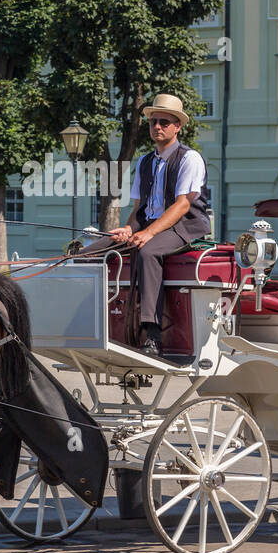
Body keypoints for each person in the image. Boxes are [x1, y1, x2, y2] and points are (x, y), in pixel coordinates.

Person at [79, 93, 209, 357]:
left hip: (185, 226)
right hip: (150, 225)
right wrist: (129, 230)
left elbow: (183, 205)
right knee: (88, 253)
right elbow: (140, 208)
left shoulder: (189, 158)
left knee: (148, 252)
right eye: (153, 122)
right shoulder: (145, 162)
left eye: (164, 122)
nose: (157, 127)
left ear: (177, 127)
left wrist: (148, 233)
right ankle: (88, 323)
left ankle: (152, 334)